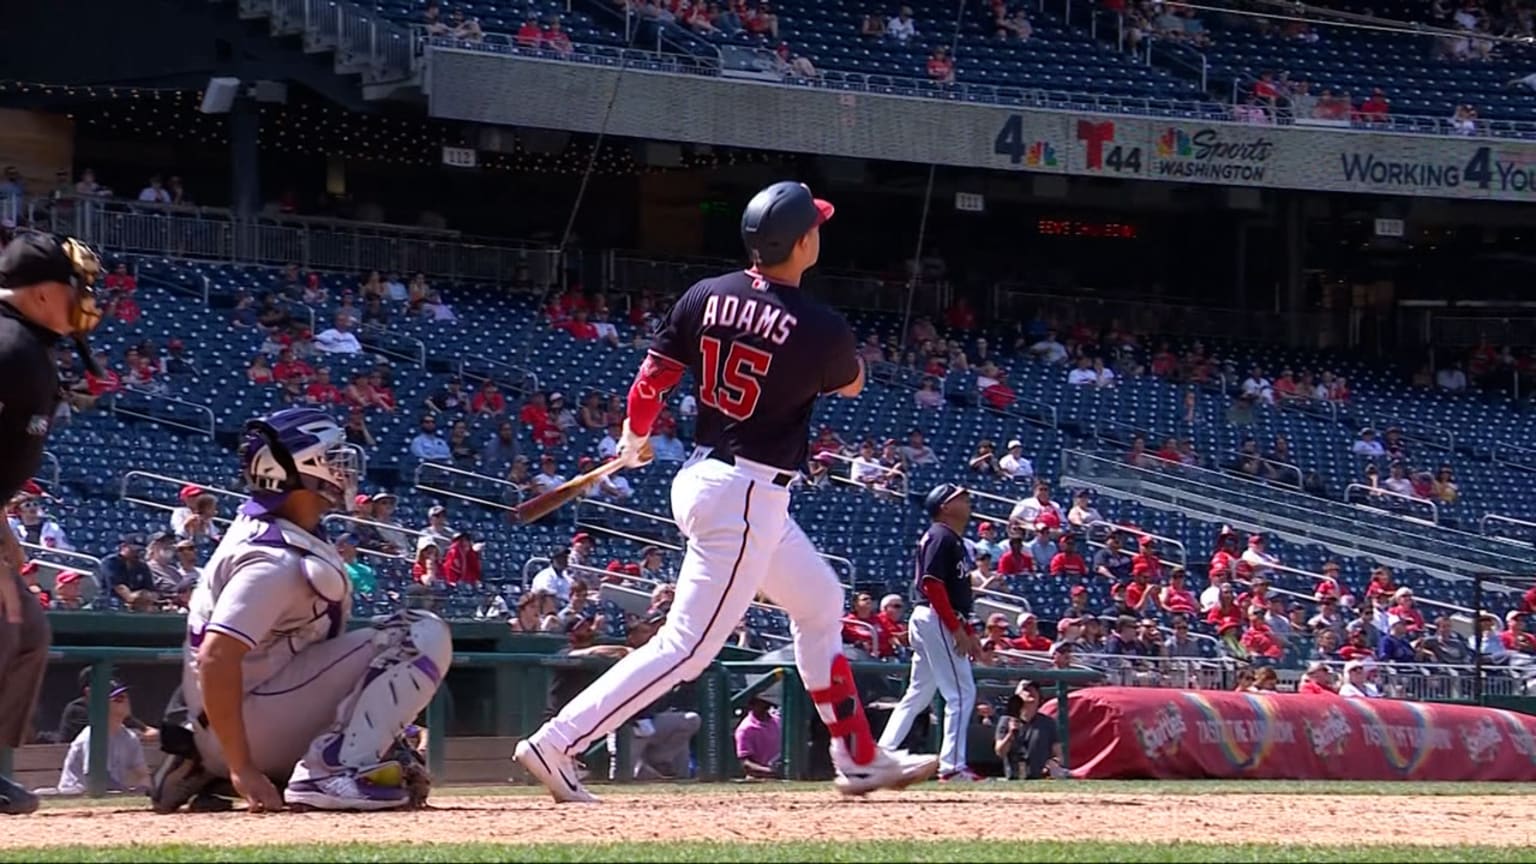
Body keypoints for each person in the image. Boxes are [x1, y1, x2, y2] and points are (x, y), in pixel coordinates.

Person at [514, 182, 935, 803]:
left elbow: (651, 378)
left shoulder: (705, 295)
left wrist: (634, 435)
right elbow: (851, 385)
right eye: (814, 226)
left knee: (820, 600)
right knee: (685, 649)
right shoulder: (818, 323)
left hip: (717, 479)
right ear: (800, 242)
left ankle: (859, 758)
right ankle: (558, 741)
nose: (819, 232)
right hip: (743, 494)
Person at [150, 407, 453, 814]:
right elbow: (217, 656)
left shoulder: (279, 529)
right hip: (249, 727)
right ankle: (330, 770)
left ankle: (204, 761)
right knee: (420, 634)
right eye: (331, 457)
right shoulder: (271, 559)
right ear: (301, 468)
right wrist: (242, 767)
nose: (342, 469)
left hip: (232, 718)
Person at [0, 231, 104, 815]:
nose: (85, 299)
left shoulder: (25, 344)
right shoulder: (7, 347)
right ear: (41, 294)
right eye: (75, 288)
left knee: (28, 632)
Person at [876, 483, 982, 783]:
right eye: (959, 497)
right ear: (944, 507)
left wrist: (968, 629)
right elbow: (932, 585)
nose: (967, 498)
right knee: (961, 694)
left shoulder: (951, 539)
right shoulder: (940, 535)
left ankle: (880, 755)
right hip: (936, 616)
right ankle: (952, 766)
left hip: (934, 618)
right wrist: (954, 627)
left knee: (918, 694)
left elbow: (958, 592)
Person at [51, 679, 150, 795]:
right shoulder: (92, 735)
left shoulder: (130, 737)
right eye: (118, 699)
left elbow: (143, 774)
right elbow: (97, 778)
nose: (125, 702)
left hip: (109, 795)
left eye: (126, 697)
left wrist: (145, 789)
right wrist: (127, 792)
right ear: (101, 705)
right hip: (76, 795)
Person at [994, 680, 1063, 780]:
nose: (1031, 692)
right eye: (1026, 690)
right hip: (1015, 778)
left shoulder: (1048, 722)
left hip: (1041, 778)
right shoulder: (1006, 720)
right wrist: (1010, 734)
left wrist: (1053, 764)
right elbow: (1000, 752)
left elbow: (1059, 755)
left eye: (1035, 690)